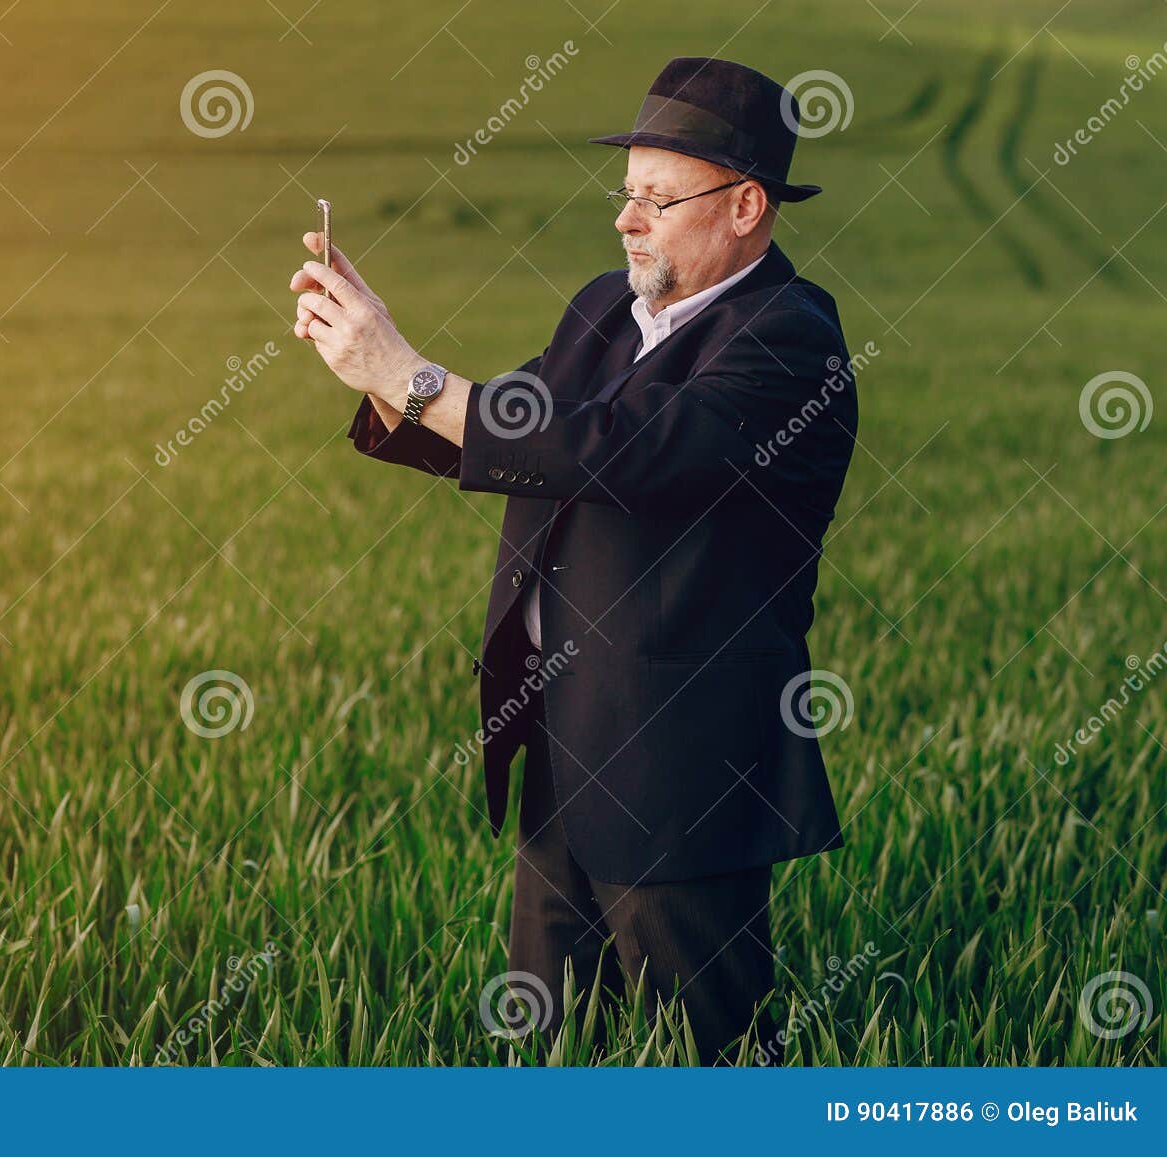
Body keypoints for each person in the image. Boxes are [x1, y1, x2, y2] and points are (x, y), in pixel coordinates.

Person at [287, 56, 858, 1065]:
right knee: (552, 1043)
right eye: (625, 194)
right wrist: (371, 366)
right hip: (557, 740)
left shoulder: (788, 337)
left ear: (745, 206)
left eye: (655, 197)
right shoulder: (605, 307)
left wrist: (408, 370)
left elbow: (617, 448)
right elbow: (514, 429)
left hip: (682, 765)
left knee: (714, 1049)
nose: (626, 220)